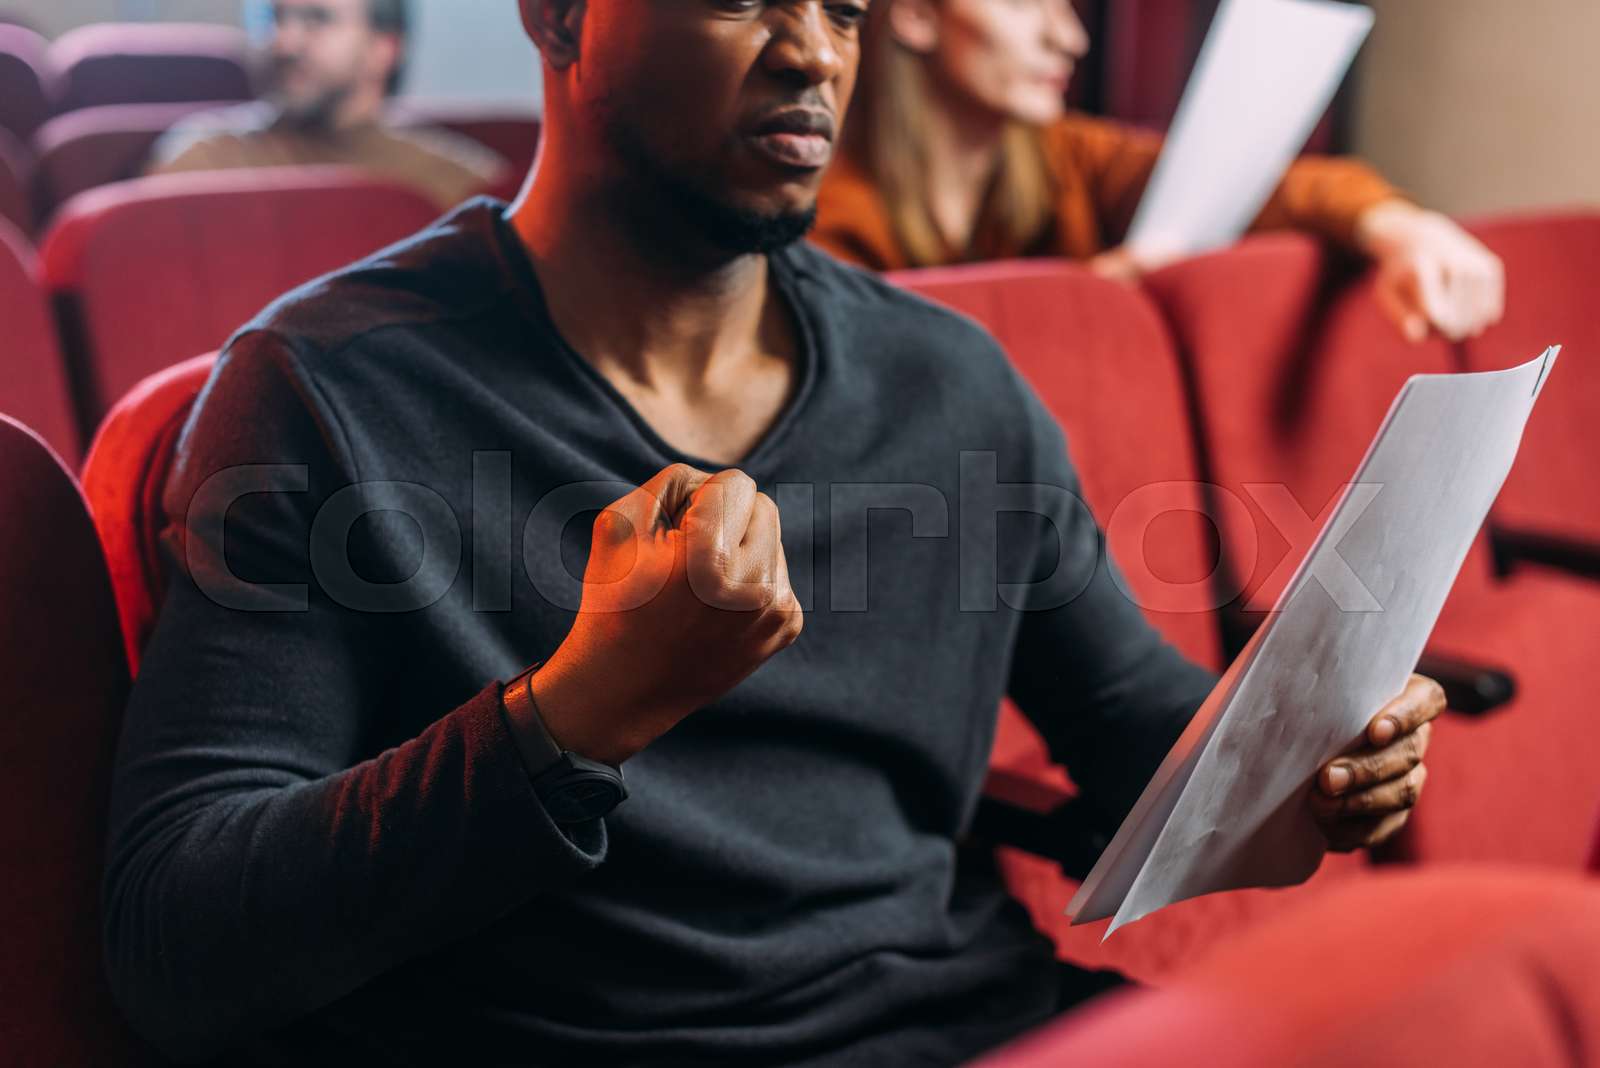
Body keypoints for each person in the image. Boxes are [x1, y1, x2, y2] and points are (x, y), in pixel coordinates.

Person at [102, 0, 1441, 1062]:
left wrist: (1302, 761)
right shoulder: (328, 388)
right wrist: (572, 717)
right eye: (745, 0)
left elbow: (1137, 730)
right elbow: (176, 945)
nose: (810, 51)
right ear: (560, 17)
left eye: (847, 9)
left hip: (968, 1024)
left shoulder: (952, 383)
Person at [811, 0, 1504, 343]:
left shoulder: (1066, 156)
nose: (1069, 36)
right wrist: (1071, 309)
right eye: (1025, 2)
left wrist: (1401, 227)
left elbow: (1275, 185)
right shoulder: (823, 215)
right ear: (914, 15)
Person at [146, 0, 507, 211]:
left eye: (317, 19)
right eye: (276, 18)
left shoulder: (457, 183)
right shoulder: (204, 159)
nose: (283, 42)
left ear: (385, 48)